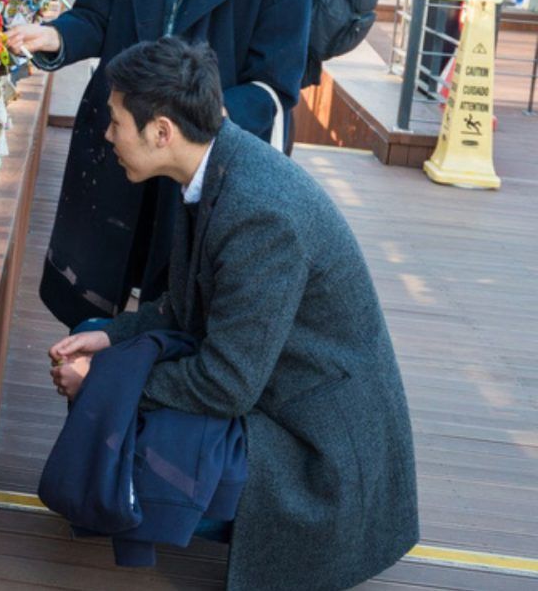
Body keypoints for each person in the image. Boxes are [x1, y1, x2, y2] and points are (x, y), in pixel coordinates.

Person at [46, 38, 418, 591]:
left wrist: (104, 385)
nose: (107, 135)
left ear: (161, 131)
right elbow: (182, 308)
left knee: (139, 429)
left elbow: (226, 386)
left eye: (116, 122)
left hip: (316, 451)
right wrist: (112, 340)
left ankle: (166, 505)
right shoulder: (217, 165)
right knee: (92, 333)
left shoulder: (260, 214)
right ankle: (123, 491)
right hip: (272, 386)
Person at [5, 0, 312, 329]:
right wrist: (55, 37)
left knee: (177, 301)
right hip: (119, 130)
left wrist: (204, 116)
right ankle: (92, 370)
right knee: (96, 287)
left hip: (196, 151)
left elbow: (275, 85)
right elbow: (99, 9)